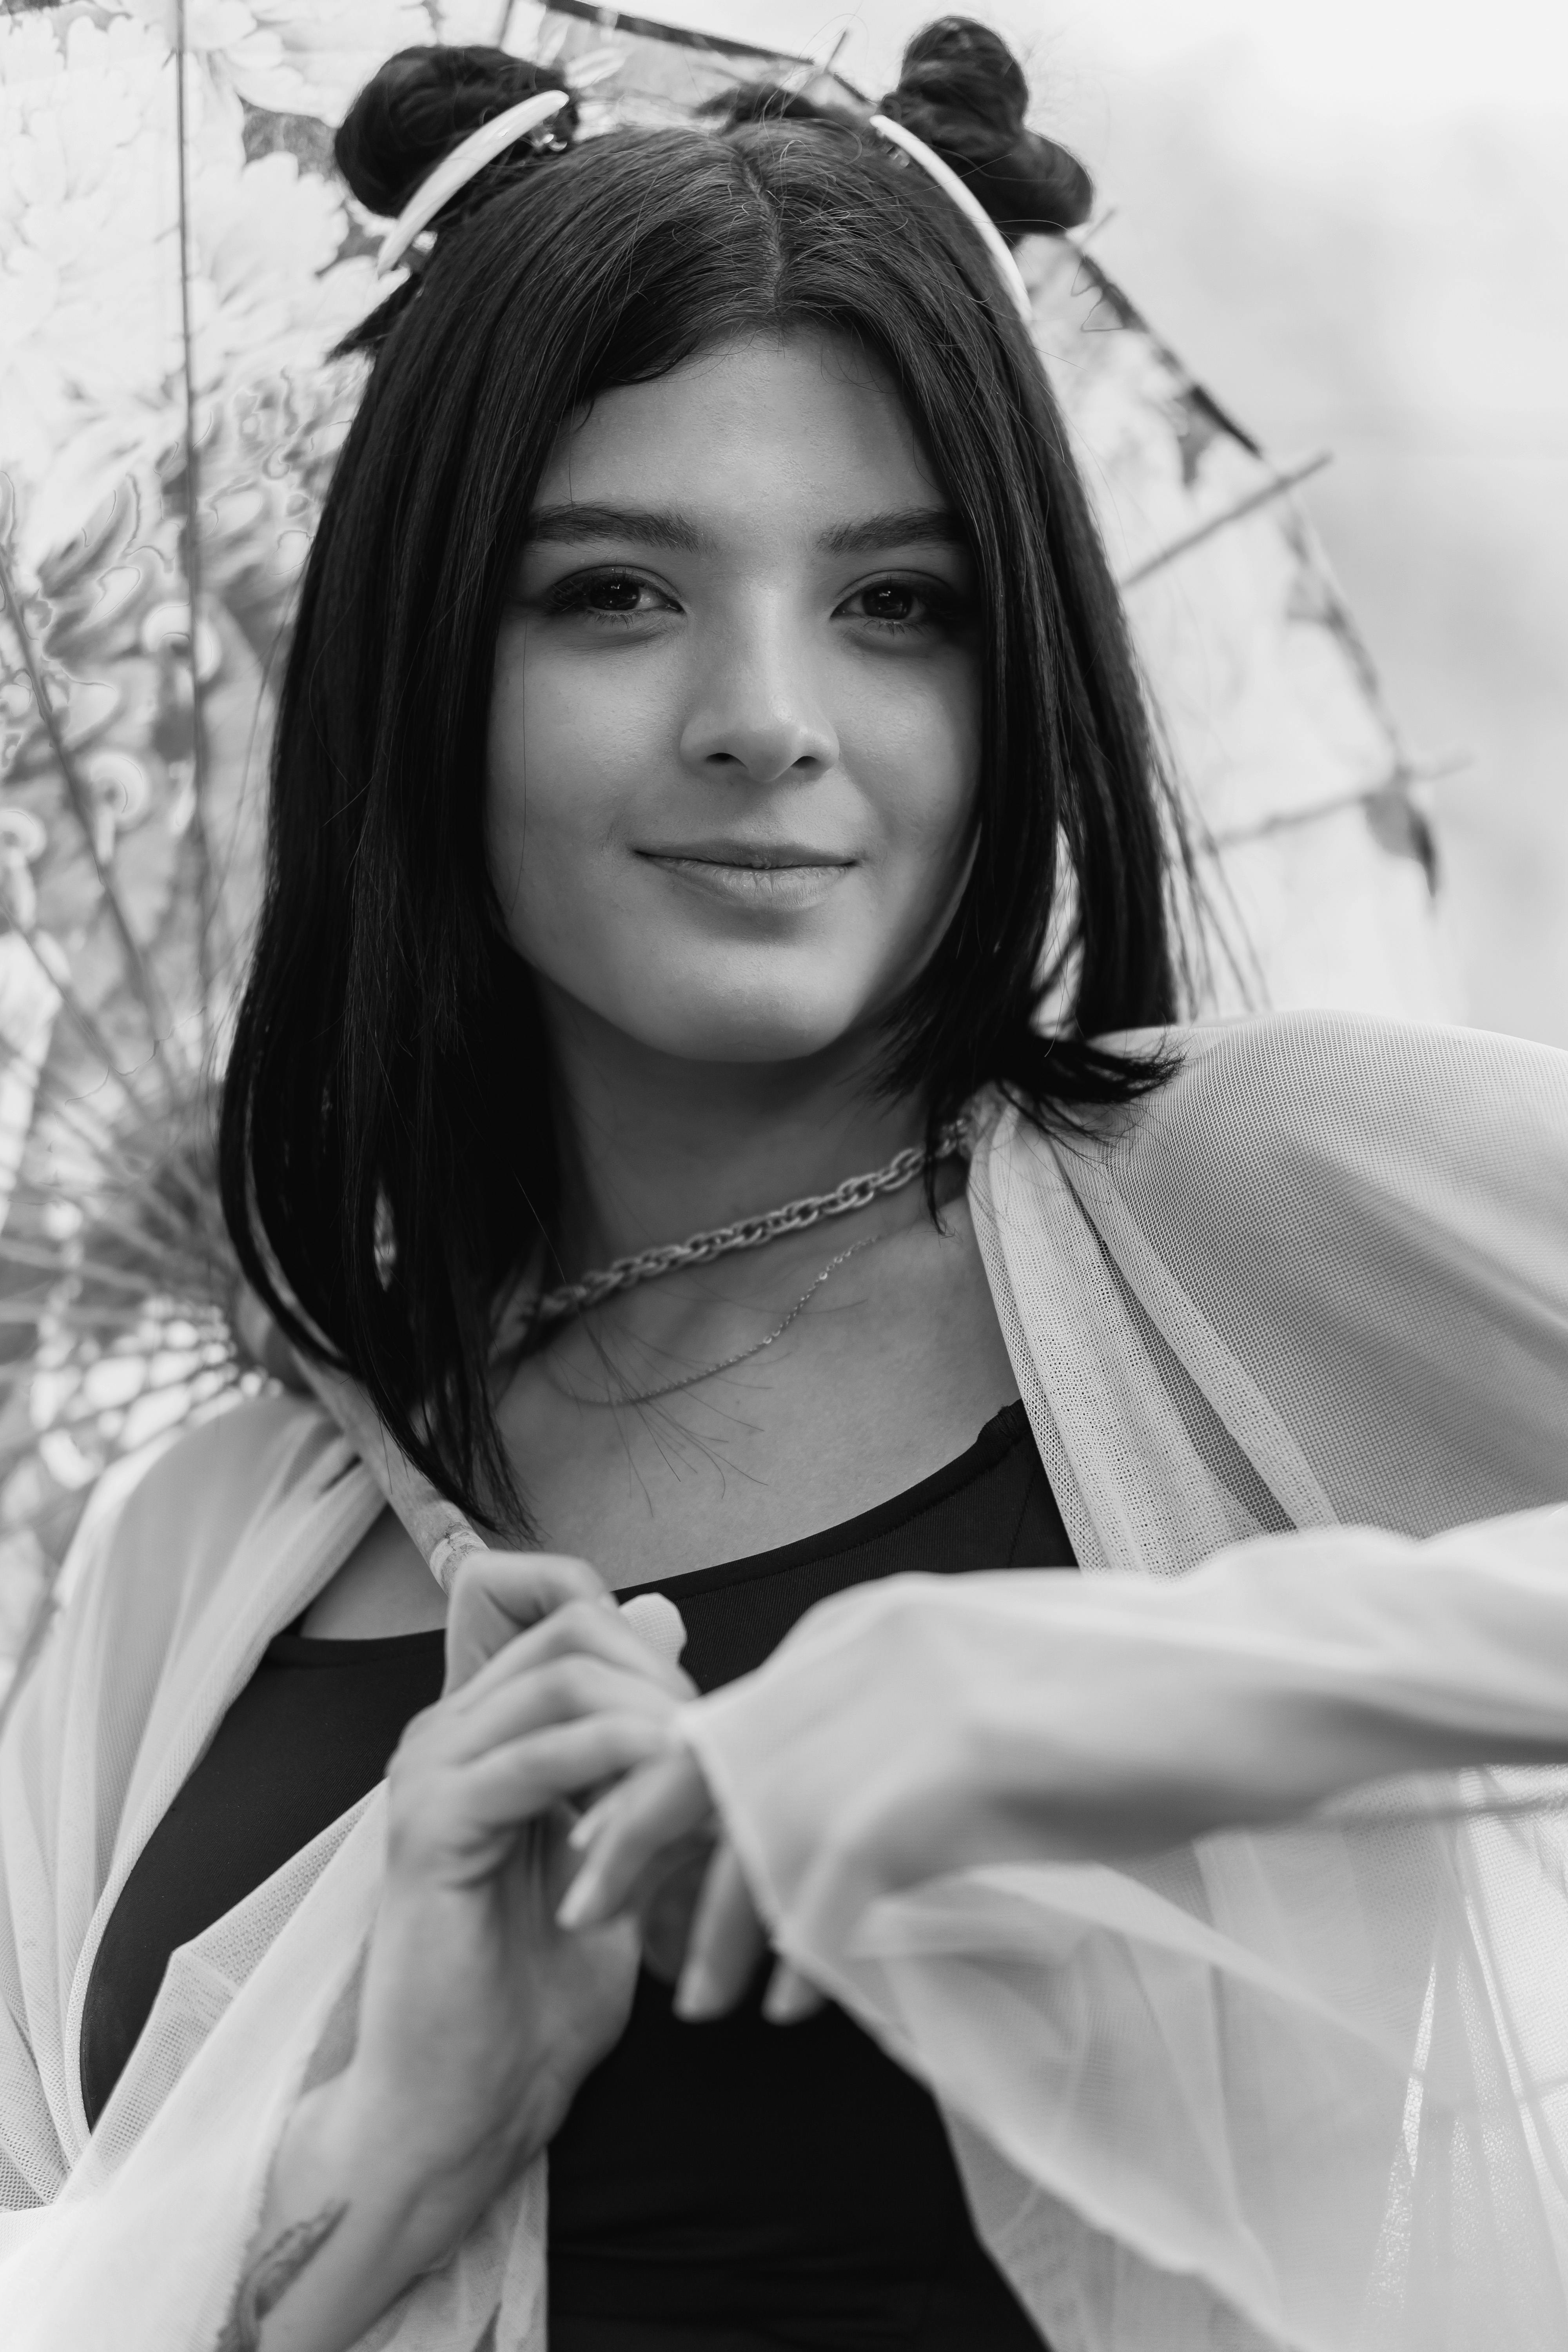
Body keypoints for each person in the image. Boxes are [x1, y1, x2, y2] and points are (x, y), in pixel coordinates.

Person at [0, 20, 1565, 2352]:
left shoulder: (1230, 1189)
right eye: (615, 594)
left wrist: (1084, 1691)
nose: (767, 713)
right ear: (428, 670)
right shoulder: (201, 1556)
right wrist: (374, 2153)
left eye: (895, 604)